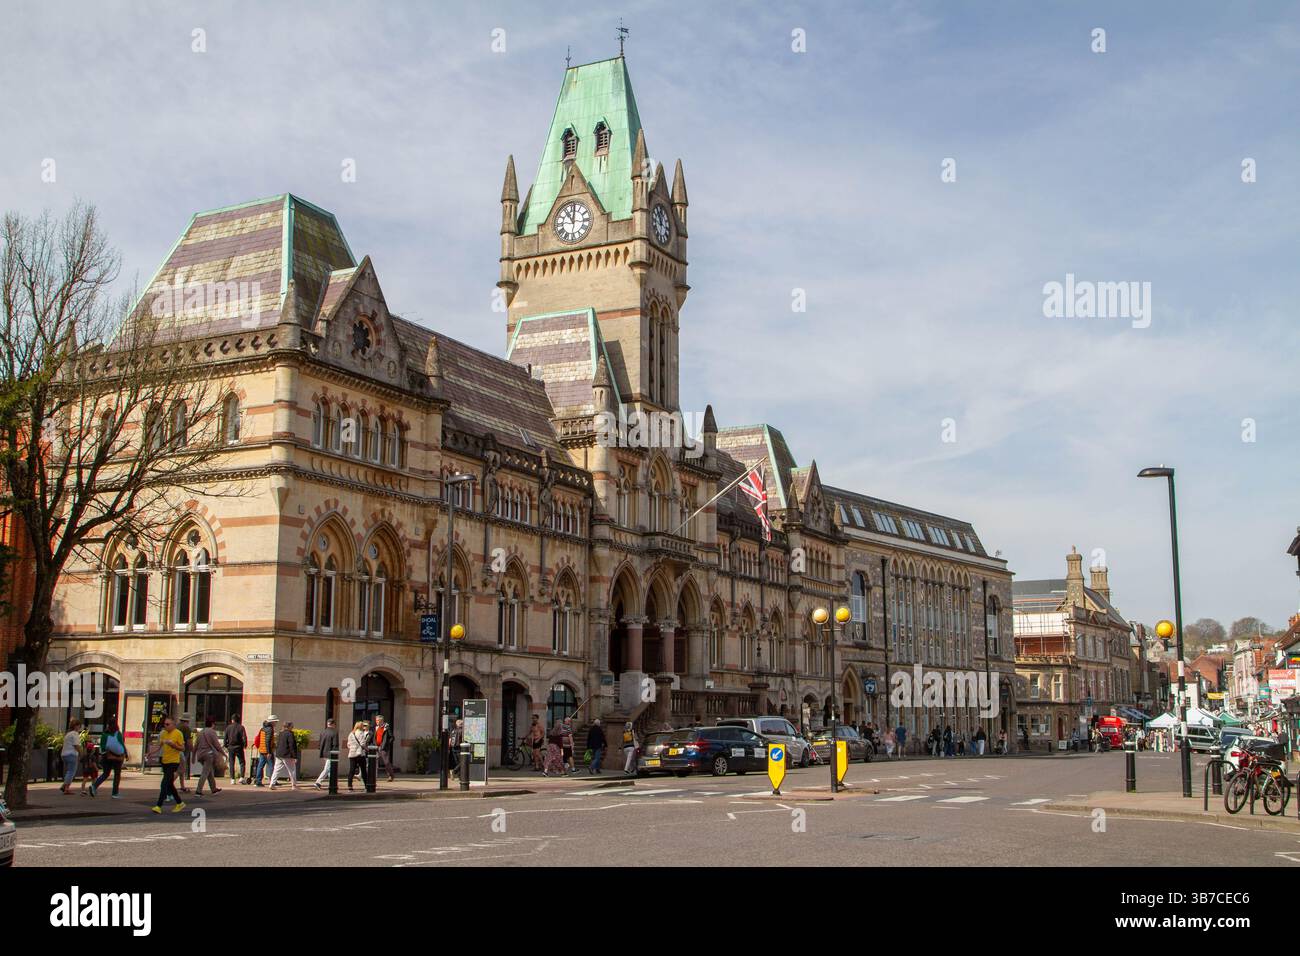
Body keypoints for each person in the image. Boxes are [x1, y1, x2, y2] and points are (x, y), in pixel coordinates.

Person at [151, 716, 187, 814]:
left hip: (174, 761)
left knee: (164, 783)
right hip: (165, 761)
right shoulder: (163, 734)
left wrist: (174, 745)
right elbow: (159, 746)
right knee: (169, 783)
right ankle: (180, 802)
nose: (165, 726)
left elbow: (182, 748)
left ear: (173, 725)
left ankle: (158, 806)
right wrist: (150, 753)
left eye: (168, 724)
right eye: (164, 724)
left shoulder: (178, 734)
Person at [90, 718, 126, 798]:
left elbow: (103, 747)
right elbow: (122, 744)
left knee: (106, 773)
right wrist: (124, 755)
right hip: (117, 755)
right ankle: (115, 793)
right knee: (117, 774)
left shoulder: (104, 735)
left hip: (106, 755)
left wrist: (106, 753)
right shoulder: (118, 734)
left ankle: (94, 786)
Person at [194, 717, 226, 796]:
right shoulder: (212, 732)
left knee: (209, 772)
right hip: (208, 755)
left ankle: (214, 789)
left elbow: (196, 745)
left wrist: (193, 756)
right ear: (212, 724)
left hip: (200, 754)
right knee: (205, 772)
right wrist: (223, 753)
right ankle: (198, 791)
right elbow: (217, 745)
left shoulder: (201, 732)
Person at [269, 720, 300, 789]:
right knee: (292, 770)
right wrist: (294, 756)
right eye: (292, 726)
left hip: (279, 754)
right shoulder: (290, 734)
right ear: (289, 727)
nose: (292, 727)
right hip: (287, 755)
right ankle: (294, 785)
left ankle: (272, 784)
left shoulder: (281, 733)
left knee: (276, 770)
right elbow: (292, 745)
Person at [314, 718, 339, 790]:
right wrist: (336, 752)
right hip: (331, 753)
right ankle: (318, 782)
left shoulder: (323, 732)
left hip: (324, 752)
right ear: (333, 724)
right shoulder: (335, 732)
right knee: (327, 769)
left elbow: (320, 743)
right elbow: (335, 744)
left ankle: (332, 783)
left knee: (330, 769)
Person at [252, 716, 277, 786]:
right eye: (275, 722)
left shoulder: (262, 728)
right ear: (272, 722)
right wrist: (269, 752)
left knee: (260, 766)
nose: (276, 723)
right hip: (267, 750)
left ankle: (258, 781)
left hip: (261, 749)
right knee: (272, 766)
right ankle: (273, 781)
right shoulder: (270, 729)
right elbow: (268, 741)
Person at [224, 714, 247, 785]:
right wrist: (244, 745)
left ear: (232, 720)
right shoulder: (241, 727)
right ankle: (241, 777)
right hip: (239, 747)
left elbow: (225, 738)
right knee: (242, 762)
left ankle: (232, 779)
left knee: (231, 763)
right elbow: (244, 737)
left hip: (231, 747)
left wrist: (226, 745)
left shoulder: (228, 728)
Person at [59, 719, 82, 794]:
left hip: (64, 754)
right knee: (71, 771)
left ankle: (64, 785)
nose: (79, 728)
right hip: (71, 754)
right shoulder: (75, 734)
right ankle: (66, 788)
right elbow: (76, 745)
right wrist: (81, 753)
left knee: (68, 771)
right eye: (79, 726)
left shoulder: (68, 734)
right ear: (75, 726)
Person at [346, 720, 370, 790]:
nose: (363, 727)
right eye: (363, 726)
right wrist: (367, 749)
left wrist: (352, 748)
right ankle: (366, 785)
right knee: (363, 770)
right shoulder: (361, 733)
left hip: (352, 754)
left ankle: (349, 786)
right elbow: (362, 744)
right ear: (360, 726)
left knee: (351, 770)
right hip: (360, 754)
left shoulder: (351, 734)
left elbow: (348, 744)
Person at [373, 715, 395, 782]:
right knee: (374, 762)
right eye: (376, 720)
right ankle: (373, 776)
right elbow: (375, 737)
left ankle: (391, 775)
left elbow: (392, 737)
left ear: (381, 721)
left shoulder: (386, 728)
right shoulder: (376, 728)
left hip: (383, 748)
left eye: (378, 720)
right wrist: (374, 744)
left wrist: (386, 744)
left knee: (386, 762)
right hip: (376, 747)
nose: (376, 722)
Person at [176, 714, 193, 793]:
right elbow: (189, 742)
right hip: (182, 750)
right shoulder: (186, 728)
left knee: (181, 769)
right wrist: (193, 750)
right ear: (187, 721)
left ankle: (182, 786)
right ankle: (168, 785)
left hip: (174, 750)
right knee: (180, 769)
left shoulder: (176, 726)